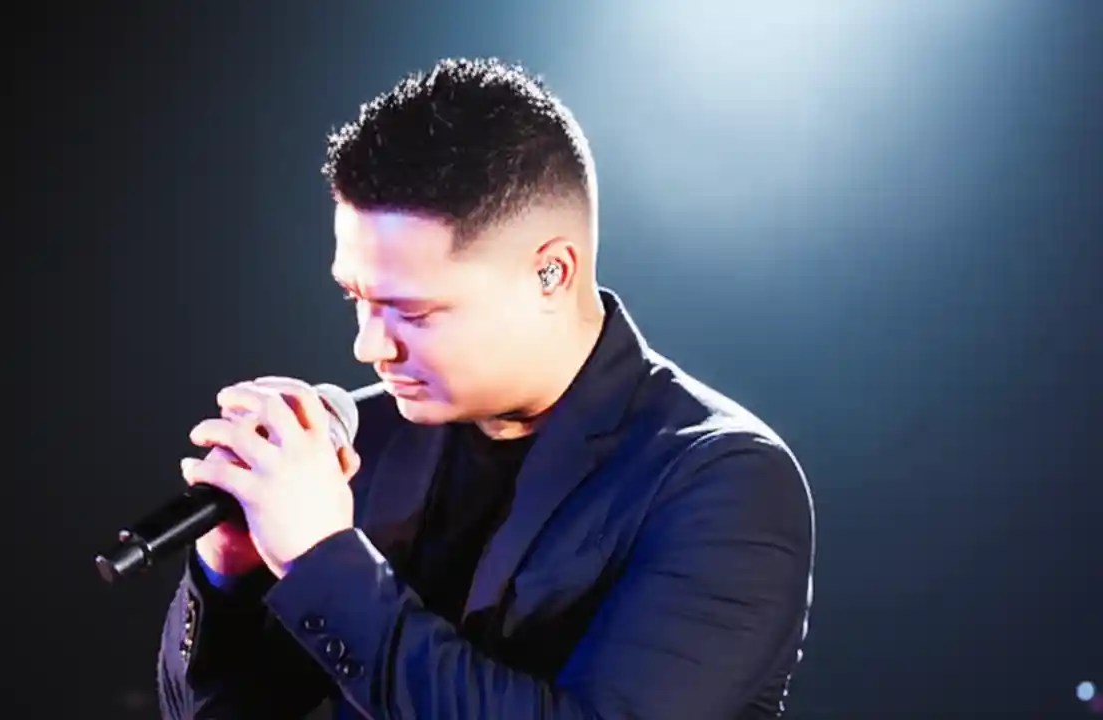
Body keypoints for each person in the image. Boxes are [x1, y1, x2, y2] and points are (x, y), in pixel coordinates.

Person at [157, 57, 814, 719]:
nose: (369, 347)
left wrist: (325, 561)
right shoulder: (368, 442)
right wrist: (229, 575)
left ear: (552, 274)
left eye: (413, 312)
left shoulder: (722, 481)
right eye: (357, 299)